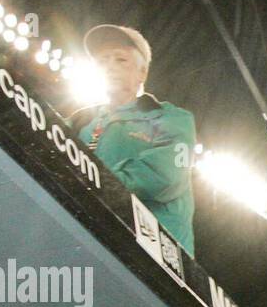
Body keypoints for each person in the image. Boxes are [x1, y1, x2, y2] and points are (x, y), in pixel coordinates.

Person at [69, 24, 197, 256]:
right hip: (87, 239)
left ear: (143, 73)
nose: (109, 67)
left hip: (151, 260)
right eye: (102, 61)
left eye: (121, 60)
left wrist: (90, 180)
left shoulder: (173, 118)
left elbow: (165, 175)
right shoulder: (79, 122)